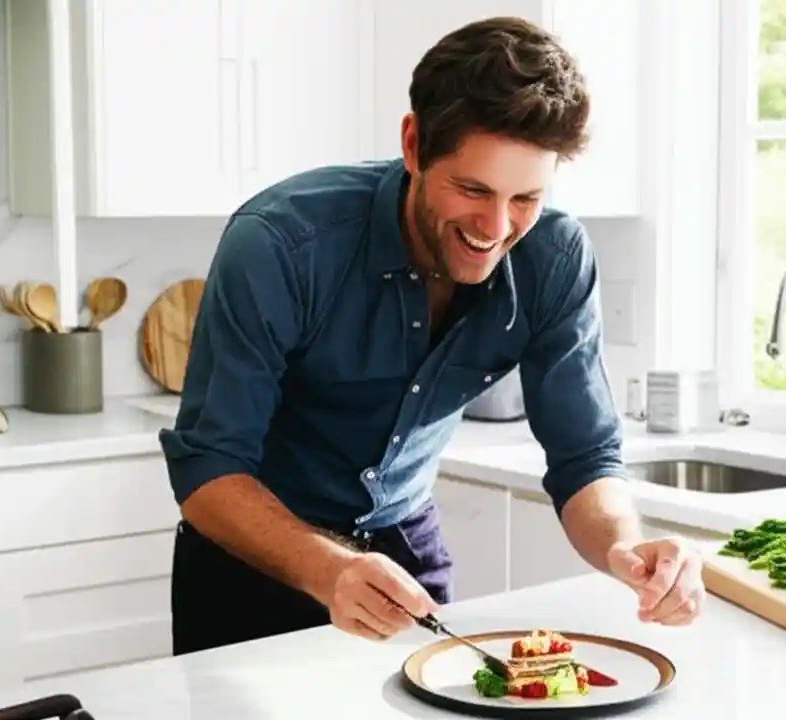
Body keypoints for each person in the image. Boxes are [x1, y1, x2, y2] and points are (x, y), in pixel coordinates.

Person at [161, 15, 705, 656]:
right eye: (472, 189)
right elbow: (209, 467)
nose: (497, 227)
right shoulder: (281, 245)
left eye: (526, 197)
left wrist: (624, 546)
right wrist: (328, 569)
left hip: (404, 552)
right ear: (414, 145)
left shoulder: (554, 259)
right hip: (252, 561)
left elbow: (585, 458)